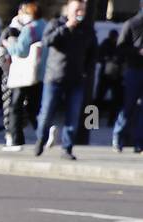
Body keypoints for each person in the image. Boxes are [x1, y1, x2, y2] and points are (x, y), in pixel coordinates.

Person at [34, 0, 95, 159]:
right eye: (77, 10)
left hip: (76, 80)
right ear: (68, 10)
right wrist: (67, 27)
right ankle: (41, 138)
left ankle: (67, 148)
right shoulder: (56, 24)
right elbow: (47, 41)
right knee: (46, 112)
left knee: (73, 116)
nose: (80, 13)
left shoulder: (87, 29)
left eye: (82, 10)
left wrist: (86, 72)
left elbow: (92, 53)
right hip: (55, 77)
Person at [2, 1, 45, 150]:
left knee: (16, 106)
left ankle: (16, 140)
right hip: (41, 72)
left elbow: (20, 50)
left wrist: (9, 45)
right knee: (35, 107)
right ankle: (44, 132)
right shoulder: (45, 26)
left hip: (24, 73)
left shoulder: (30, 28)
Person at [116, 5, 143, 153]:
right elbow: (120, 47)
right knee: (129, 105)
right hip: (134, 69)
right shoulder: (132, 23)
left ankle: (139, 142)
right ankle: (118, 137)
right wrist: (138, 51)